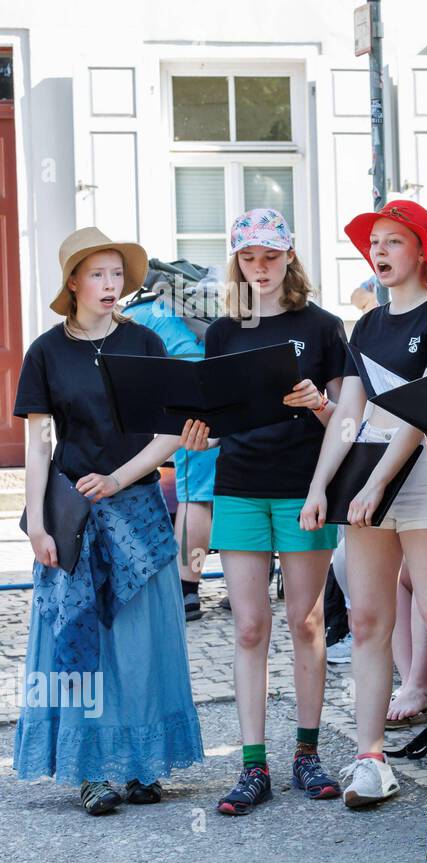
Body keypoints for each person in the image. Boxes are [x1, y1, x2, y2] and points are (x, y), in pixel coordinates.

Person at [12, 227, 206, 814]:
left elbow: (172, 430)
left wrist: (120, 478)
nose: (110, 285)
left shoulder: (144, 342)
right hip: (72, 516)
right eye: (98, 274)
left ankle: (144, 766)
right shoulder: (46, 351)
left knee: (142, 642)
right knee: (79, 641)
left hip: (139, 511)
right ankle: (91, 770)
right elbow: (38, 442)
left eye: (117, 274)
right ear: (72, 282)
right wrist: (40, 526)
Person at [300, 199, 427, 813]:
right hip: (366, 473)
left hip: (425, 475)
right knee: (370, 621)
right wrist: (322, 483)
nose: (379, 251)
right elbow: (348, 412)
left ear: (421, 250)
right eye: (374, 241)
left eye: (393, 240)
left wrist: (376, 483)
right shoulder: (367, 325)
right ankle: (371, 757)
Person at [188, 209, 348, 814]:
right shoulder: (223, 331)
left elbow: (348, 422)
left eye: (270, 257)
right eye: (249, 258)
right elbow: (212, 414)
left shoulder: (325, 327)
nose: (260, 268)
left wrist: (319, 406)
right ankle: (253, 764)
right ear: (237, 261)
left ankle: (306, 753)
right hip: (239, 484)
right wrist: (198, 435)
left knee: (306, 624)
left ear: (290, 258)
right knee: (251, 625)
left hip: (304, 486)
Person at [123, 275, 219, 622]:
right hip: (227, 388)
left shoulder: (138, 313)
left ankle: (187, 590)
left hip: (191, 399)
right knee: (230, 492)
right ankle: (249, 584)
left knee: (196, 496)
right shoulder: (187, 308)